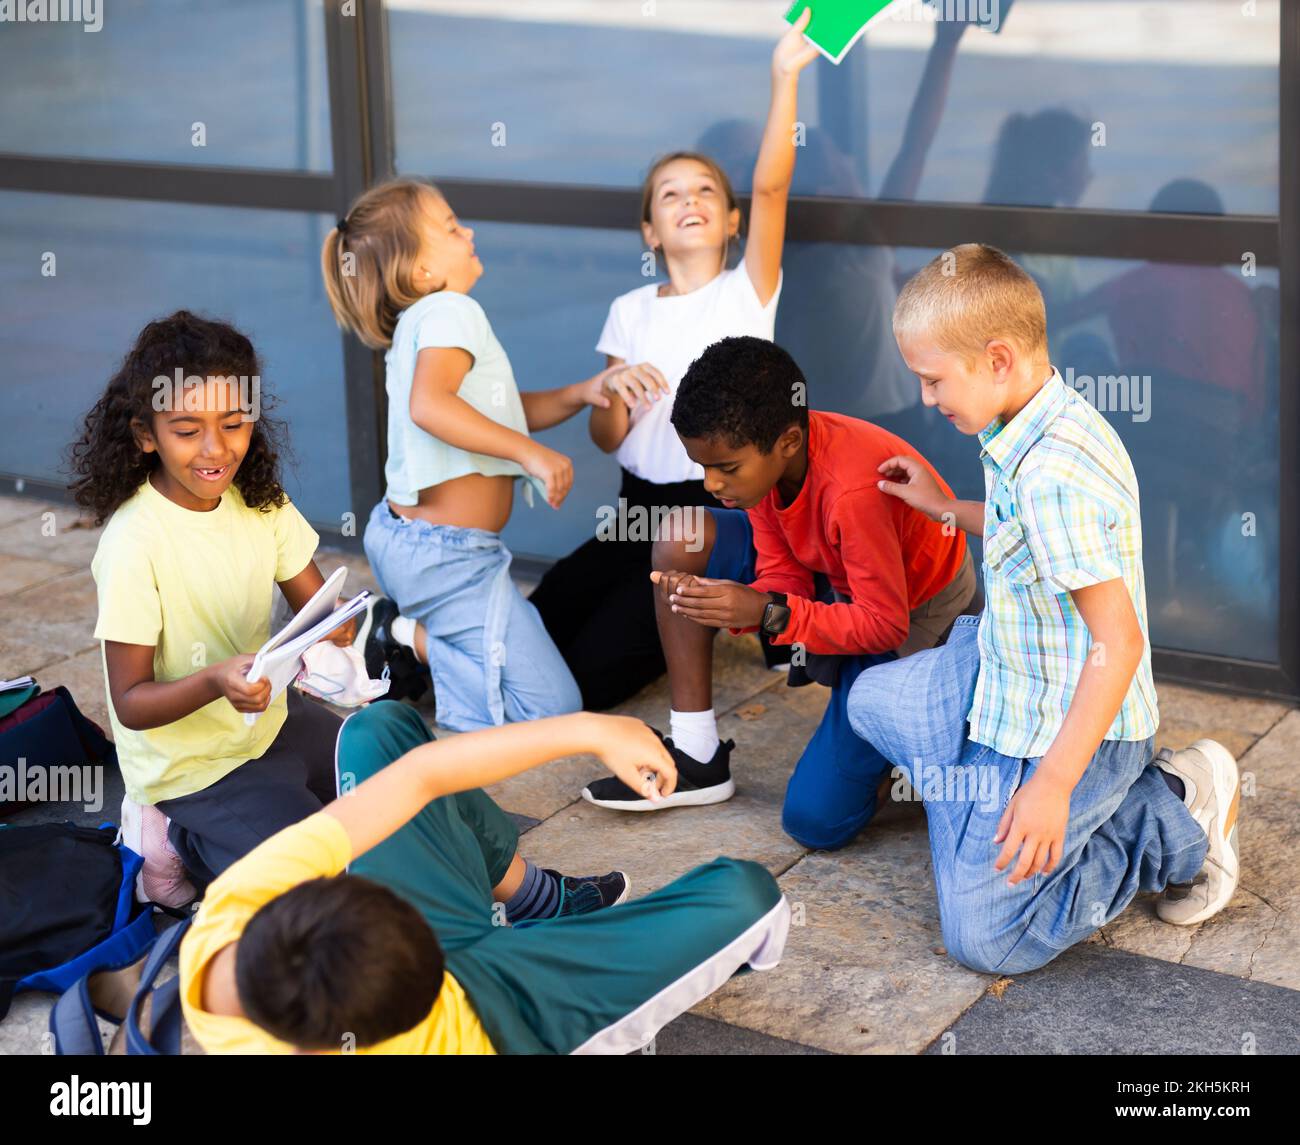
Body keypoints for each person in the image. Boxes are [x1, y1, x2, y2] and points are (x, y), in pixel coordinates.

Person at [846, 244, 1240, 976]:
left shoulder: (1056, 473)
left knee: (985, 937)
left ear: (997, 358)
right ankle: (973, 804)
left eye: (933, 380)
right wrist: (943, 508)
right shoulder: (1026, 419)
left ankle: (1175, 809)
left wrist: (1053, 785)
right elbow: (1019, 529)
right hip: (1003, 669)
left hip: (1069, 724)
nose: (927, 398)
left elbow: (1116, 645)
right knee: (868, 702)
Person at [180, 702, 790, 1054]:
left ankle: (535, 901)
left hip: (397, 960)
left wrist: (589, 728)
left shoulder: (239, 904)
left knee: (380, 731)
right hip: (507, 1020)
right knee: (748, 896)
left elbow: (419, 775)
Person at [527, 11, 820, 710]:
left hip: (710, 517)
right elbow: (607, 439)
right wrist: (611, 392)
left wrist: (784, 76)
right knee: (540, 621)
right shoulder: (630, 310)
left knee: (590, 683)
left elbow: (773, 185)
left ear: (732, 221)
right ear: (650, 231)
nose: (689, 200)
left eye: (706, 192)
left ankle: (747, 607)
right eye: (671, 194)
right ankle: (407, 659)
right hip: (636, 515)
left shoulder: (747, 291)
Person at [581, 336, 976, 855]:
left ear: (788, 441)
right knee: (681, 534)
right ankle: (696, 752)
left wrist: (768, 612)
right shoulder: (770, 459)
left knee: (815, 822)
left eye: (726, 468)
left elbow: (884, 624)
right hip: (835, 577)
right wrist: (744, 603)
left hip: (915, 615)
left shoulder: (853, 492)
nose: (711, 483)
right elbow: (781, 562)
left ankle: (918, 747)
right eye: (703, 466)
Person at [321, 178, 614, 730]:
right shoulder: (450, 310)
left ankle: (403, 641)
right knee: (549, 709)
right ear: (422, 272)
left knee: (510, 693)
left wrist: (579, 393)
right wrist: (531, 454)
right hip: (450, 560)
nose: (469, 231)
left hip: (418, 545)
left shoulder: (423, 322)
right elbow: (431, 407)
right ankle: (389, 635)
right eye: (452, 228)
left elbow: (489, 413)